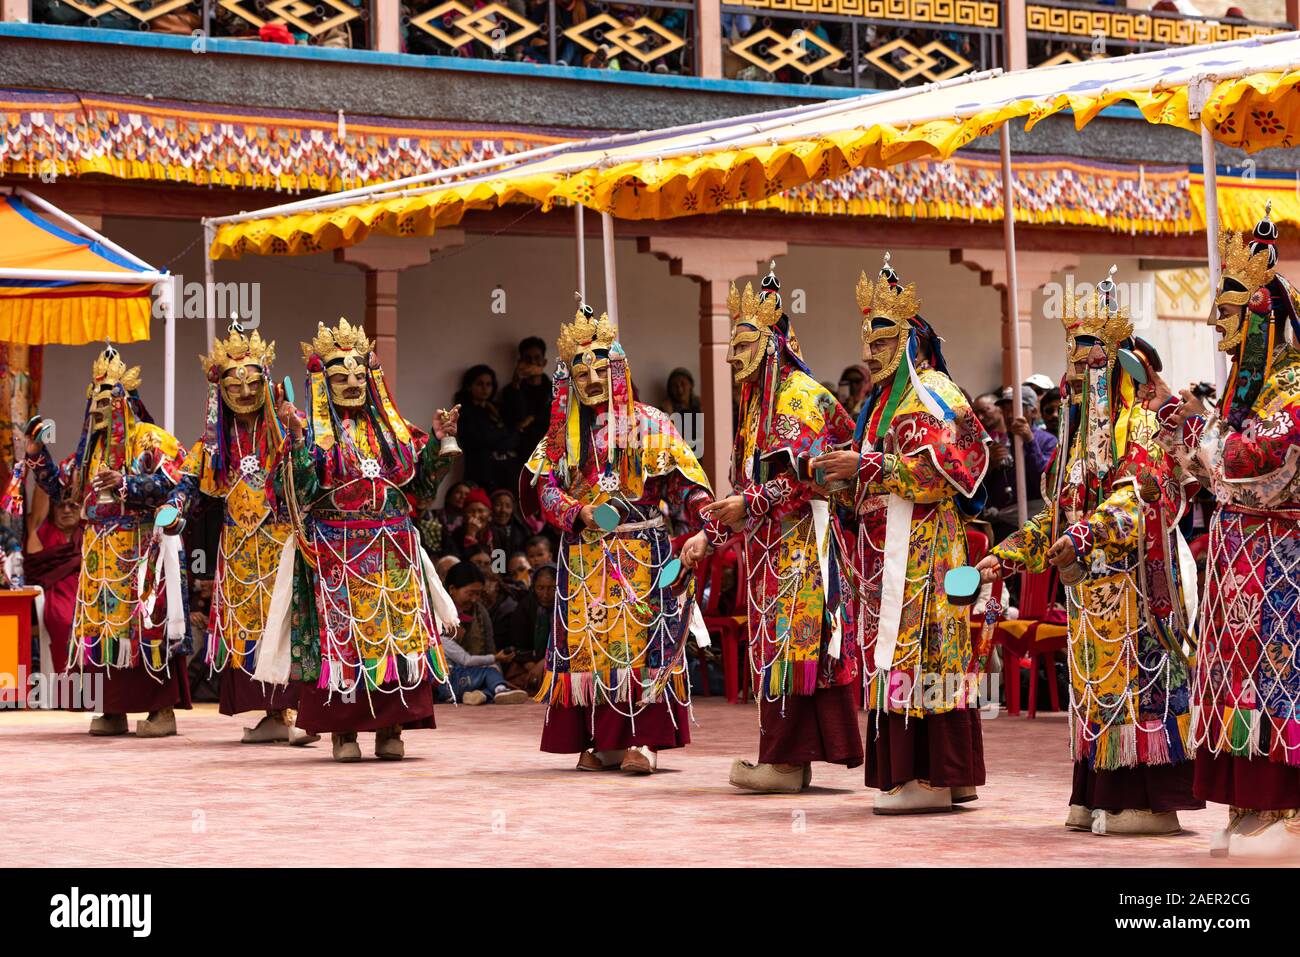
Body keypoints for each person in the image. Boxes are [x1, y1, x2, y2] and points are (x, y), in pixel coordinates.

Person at [979, 268, 1201, 835]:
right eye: (1072, 364)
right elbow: (1055, 517)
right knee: (1095, 692)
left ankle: (1149, 803)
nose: (1074, 377)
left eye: (1087, 365)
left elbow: (1134, 503)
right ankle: (1095, 791)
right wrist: (1004, 557)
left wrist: (1081, 537)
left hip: (1138, 584)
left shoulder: (1145, 423)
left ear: (1114, 366)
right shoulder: (1076, 443)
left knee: (1139, 686)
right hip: (1091, 589)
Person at [812, 254, 991, 813]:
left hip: (927, 546)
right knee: (901, 651)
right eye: (866, 336)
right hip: (885, 549)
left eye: (883, 336)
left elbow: (959, 466)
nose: (870, 349)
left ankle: (933, 775)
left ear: (911, 337)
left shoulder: (935, 391)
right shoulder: (876, 404)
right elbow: (871, 470)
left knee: (930, 650)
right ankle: (944, 773)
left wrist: (867, 469)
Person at [1146, 207, 1300, 858]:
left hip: (1283, 563)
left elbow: (1252, 454)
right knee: (1237, 683)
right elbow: (1214, 459)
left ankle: (1282, 808)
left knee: (1278, 680)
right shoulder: (1249, 388)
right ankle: (1247, 802)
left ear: (1260, 317)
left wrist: (1206, 439)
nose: (1217, 325)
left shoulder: (1290, 384)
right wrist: (1182, 425)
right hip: (1241, 556)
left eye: (1228, 313)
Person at [681, 265, 863, 794]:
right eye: (730, 347)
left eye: (744, 345)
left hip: (805, 547)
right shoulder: (754, 407)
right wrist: (708, 535)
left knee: (795, 649)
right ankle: (790, 759)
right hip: (771, 549)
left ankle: (783, 763)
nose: (734, 358)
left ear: (772, 343)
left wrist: (749, 502)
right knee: (783, 650)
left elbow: (814, 474)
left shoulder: (798, 398)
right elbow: (747, 491)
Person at [521, 300, 714, 773]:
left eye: (600, 367)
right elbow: (541, 489)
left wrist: (705, 529)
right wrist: (578, 510)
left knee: (642, 645)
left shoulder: (648, 423)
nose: (590, 378)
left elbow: (685, 485)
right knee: (590, 642)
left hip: (640, 551)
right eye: (579, 370)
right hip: (583, 557)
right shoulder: (558, 436)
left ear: (618, 369)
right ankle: (601, 737)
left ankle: (643, 739)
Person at [257, 318, 461, 762]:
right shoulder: (307, 434)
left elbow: (420, 492)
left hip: (393, 552)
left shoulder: (396, 432)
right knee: (343, 641)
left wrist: (438, 446)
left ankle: (391, 728)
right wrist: (294, 444)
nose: (351, 383)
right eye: (338, 377)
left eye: (358, 375)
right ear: (322, 383)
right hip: (336, 553)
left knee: (394, 640)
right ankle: (343, 733)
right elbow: (295, 497)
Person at [159, 324, 316, 746]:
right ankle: (272, 713)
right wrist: (172, 510)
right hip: (241, 553)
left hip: (285, 546)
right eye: (235, 384)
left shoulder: (288, 427)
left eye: (253, 383)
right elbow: (188, 482)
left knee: (289, 623)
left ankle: (304, 711)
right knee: (252, 627)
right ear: (220, 390)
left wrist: (294, 433)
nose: (245, 393)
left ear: (266, 383)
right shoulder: (215, 444)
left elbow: (310, 474)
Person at [24, 345, 191, 736]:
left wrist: (128, 483)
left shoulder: (152, 439)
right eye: (94, 404)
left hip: (141, 551)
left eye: (107, 403)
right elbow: (63, 486)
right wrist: (36, 454)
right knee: (103, 631)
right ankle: (113, 709)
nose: (99, 412)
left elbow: (178, 481)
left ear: (126, 402)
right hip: (100, 554)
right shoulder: (90, 450)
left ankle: (161, 711)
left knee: (146, 626)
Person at [441, 560, 528, 705]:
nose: (474, 599)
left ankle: (481, 694)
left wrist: (494, 665)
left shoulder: (480, 612)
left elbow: (489, 649)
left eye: (478, 594)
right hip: (449, 676)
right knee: (489, 674)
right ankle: (489, 691)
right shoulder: (437, 614)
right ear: (452, 589)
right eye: (470, 593)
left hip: (477, 668)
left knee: (493, 670)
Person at [23, 478, 83, 677]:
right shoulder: (42, 531)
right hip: (57, 595)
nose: (66, 510)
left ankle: (98, 687)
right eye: (60, 506)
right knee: (66, 620)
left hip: (88, 592)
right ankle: (71, 687)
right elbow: (41, 490)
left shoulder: (89, 531)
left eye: (72, 505)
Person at [454, 364, 520, 491]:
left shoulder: (496, 409)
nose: (485, 388)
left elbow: (515, 433)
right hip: (481, 471)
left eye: (488, 384)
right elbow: (477, 439)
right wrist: (502, 439)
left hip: (505, 469)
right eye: (480, 384)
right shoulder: (464, 411)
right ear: (469, 386)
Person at [499, 336, 552, 467]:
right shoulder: (510, 391)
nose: (532, 362)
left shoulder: (555, 389)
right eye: (527, 359)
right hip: (521, 454)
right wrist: (516, 385)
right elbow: (515, 422)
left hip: (549, 451)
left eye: (537, 358)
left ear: (544, 362)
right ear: (520, 362)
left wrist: (532, 418)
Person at [505, 563, 555, 694]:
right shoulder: (524, 607)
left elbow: (568, 644)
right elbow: (517, 645)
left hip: (556, 663)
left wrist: (544, 663)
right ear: (533, 587)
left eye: (552, 588)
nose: (545, 594)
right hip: (527, 663)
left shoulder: (567, 609)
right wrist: (533, 667)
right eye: (540, 588)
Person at [488, 488, 529, 557]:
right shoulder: (485, 532)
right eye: (498, 505)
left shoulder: (522, 531)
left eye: (508, 506)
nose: (503, 510)